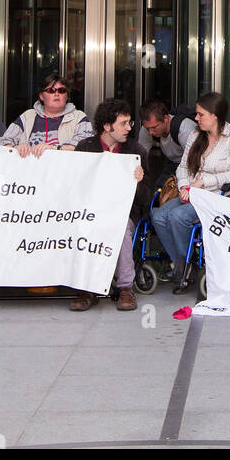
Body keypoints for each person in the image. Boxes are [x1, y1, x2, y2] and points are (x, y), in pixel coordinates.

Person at [150, 91, 230, 293]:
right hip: (191, 192)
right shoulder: (196, 135)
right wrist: (185, 186)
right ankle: (183, 264)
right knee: (158, 216)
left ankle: (184, 268)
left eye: (200, 114)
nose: (196, 118)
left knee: (178, 216)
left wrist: (202, 182)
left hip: (218, 196)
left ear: (215, 116)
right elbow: (183, 167)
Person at [72, 98, 150, 313]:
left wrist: (140, 181)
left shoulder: (136, 151)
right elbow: (75, 187)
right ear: (107, 126)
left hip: (123, 213)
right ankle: (86, 288)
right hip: (90, 211)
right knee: (83, 227)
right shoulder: (85, 148)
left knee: (122, 228)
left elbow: (145, 199)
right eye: (123, 123)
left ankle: (125, 288)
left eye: (129, 123)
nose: (128, 128)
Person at [0, 72, 93, 155]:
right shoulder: (27, 116)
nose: (56, 94)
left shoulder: (79, 117)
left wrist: (53, 149)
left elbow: (86, 146)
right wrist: (16, 147)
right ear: (41, 96)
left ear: (67, 96)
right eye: (50, 90)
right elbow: (2, 143)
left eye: (61, 90)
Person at [137, 99, 196, 179]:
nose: (150, 132)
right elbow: (141, 157)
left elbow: (196, 161)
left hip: (192, 164)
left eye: (154, 127)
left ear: (166, 119)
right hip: (172, 163)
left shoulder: (184, 129)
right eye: (148, 128)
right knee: (160, 189)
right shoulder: (147, 129)